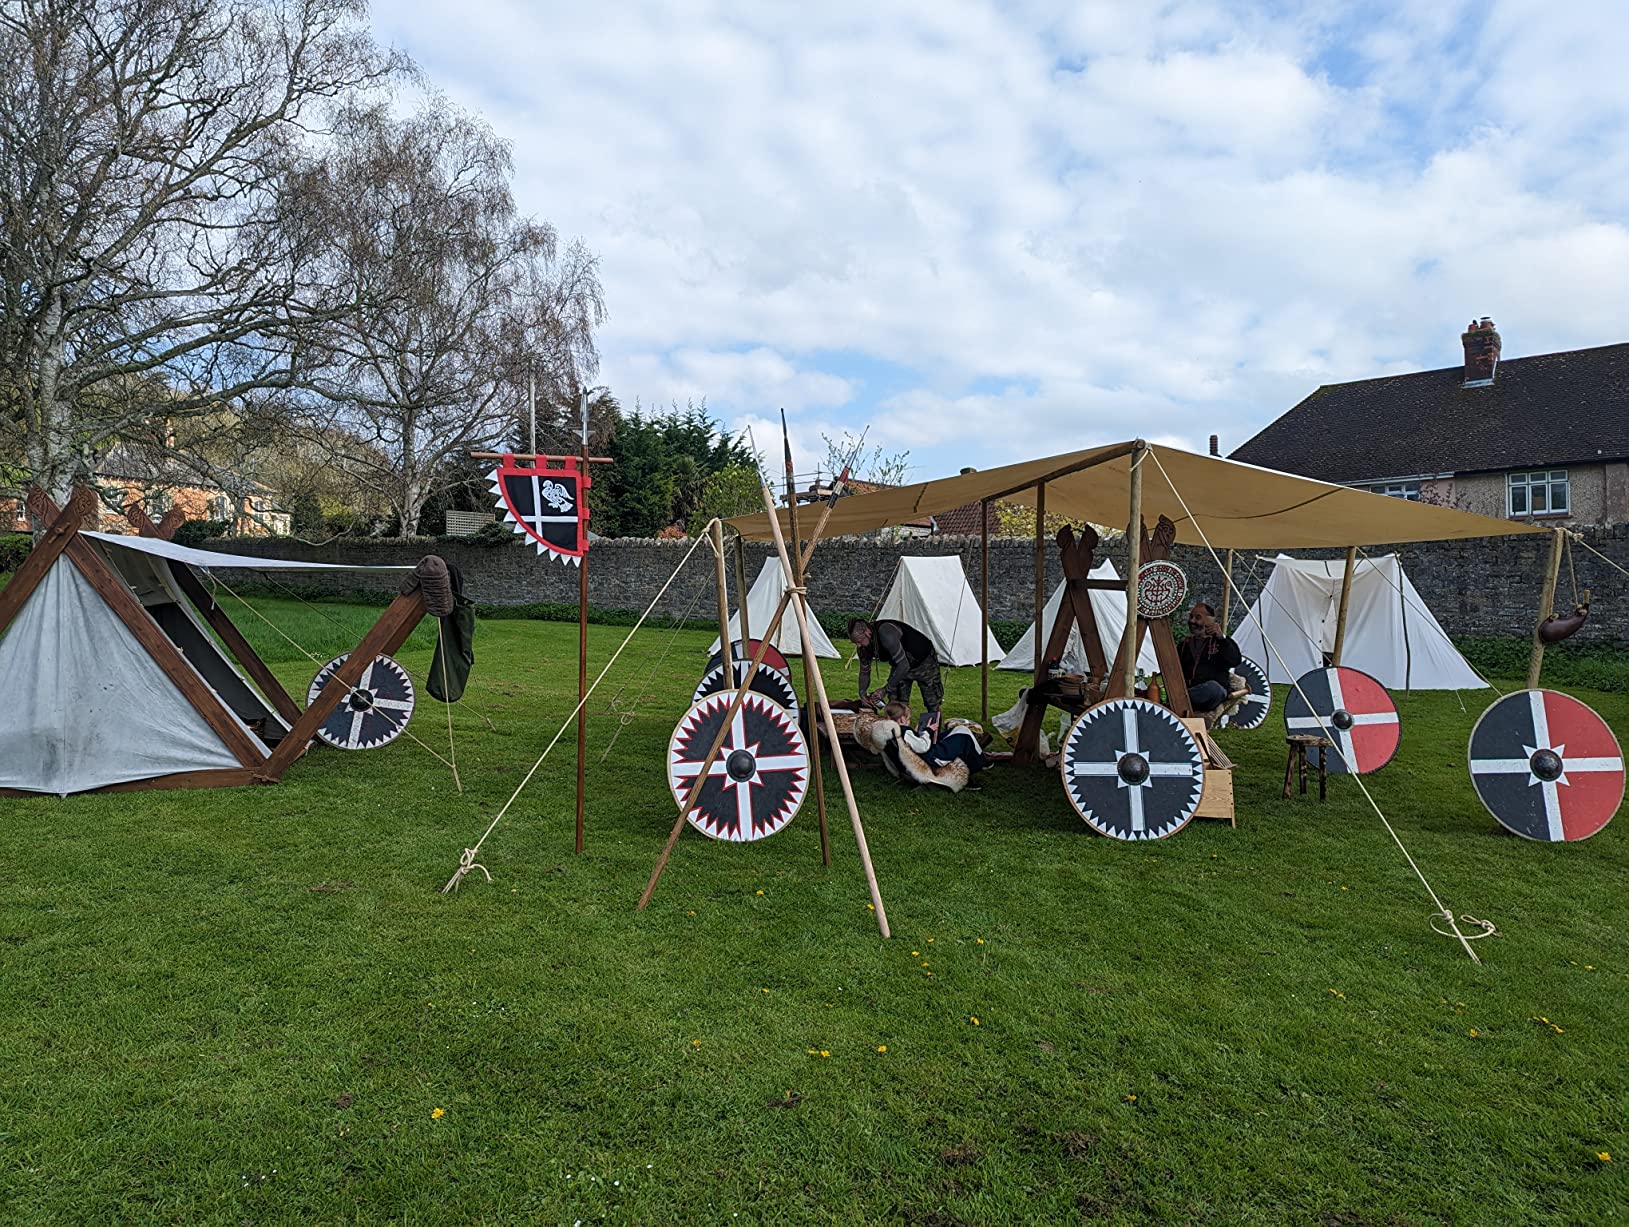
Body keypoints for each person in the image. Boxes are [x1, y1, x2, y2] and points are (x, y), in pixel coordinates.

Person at [848, 616, 943, 736]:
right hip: (900, 665)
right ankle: (897, 737)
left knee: (932, 702)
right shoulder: (863, 647)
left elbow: (904, 666)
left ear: (868, 632)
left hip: (924, 661)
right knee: (897, 703)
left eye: (859, 640)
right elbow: (865, 671)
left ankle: (934, 738)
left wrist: (885, 689)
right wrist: (862, 693)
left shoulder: (886, 632)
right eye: (855, 642)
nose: (858, 645)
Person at [1178, 602, 1242, 713]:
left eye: (1198, 618)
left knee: (1213, 688)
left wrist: (1221, 639)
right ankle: (1181, 699)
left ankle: (1179, 700)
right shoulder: (1185, 645)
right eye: (1191, 616)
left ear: (1210, 620)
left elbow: (1235, 660)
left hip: (1212, 694)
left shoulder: (1221, 642)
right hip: (1191, 691)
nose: (1192, 621)